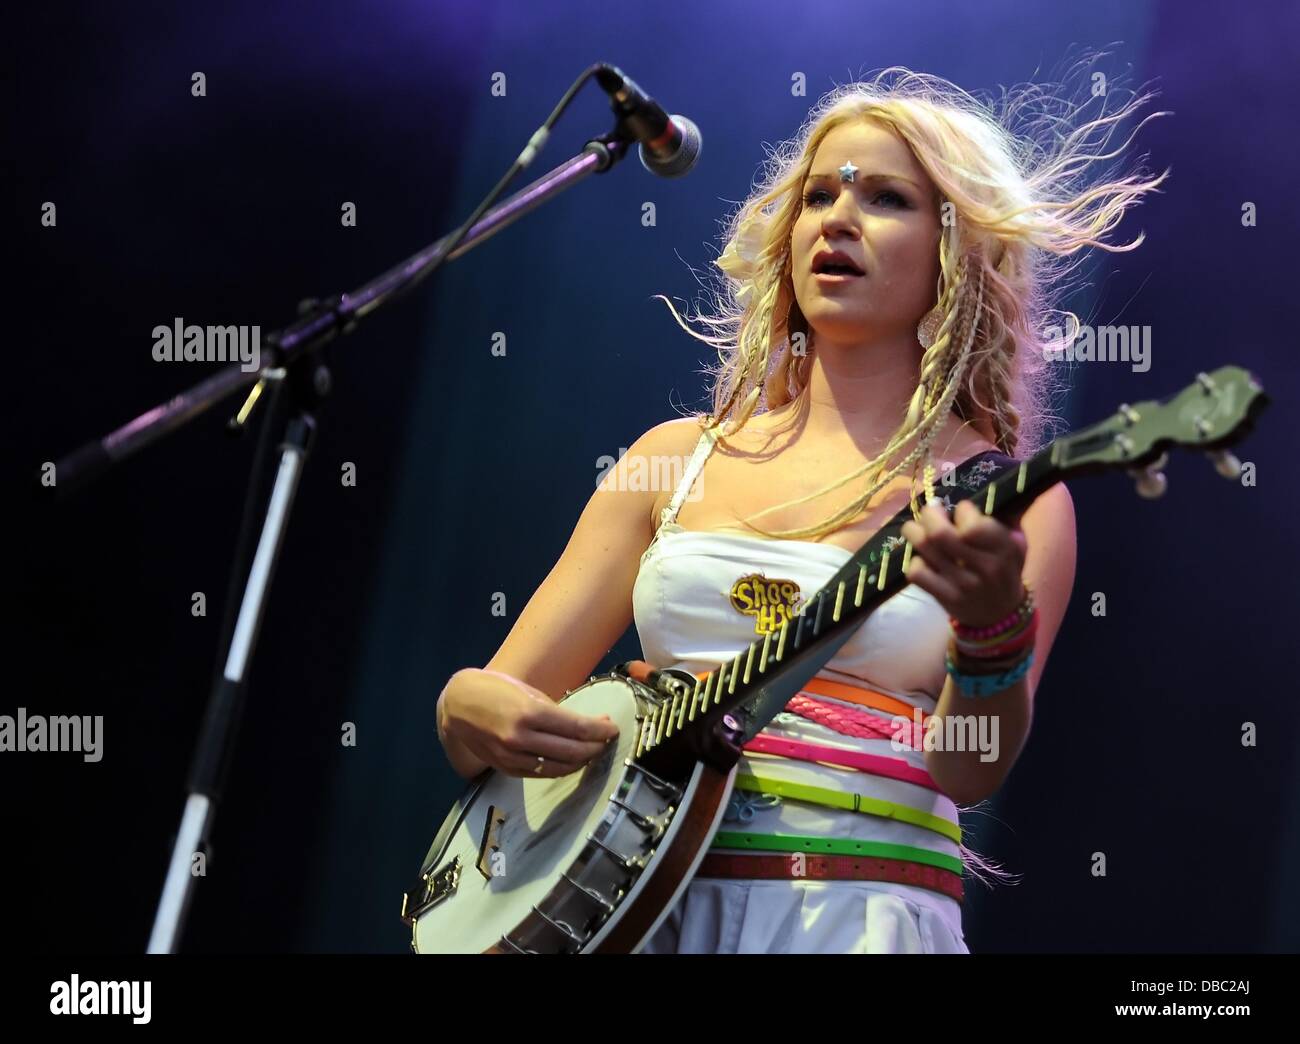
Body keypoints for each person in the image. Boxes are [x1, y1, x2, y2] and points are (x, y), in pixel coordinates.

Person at [435, 66, 1167, 953]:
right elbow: (494, 715)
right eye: (819, 195)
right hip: (641, 917)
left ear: (957, 254)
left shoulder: (1007, 506)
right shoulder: (672, 458)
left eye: (888, 198)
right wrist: (461, 705)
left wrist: (989, 631)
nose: (838, 218)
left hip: (857, 921)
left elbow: (970, 768)